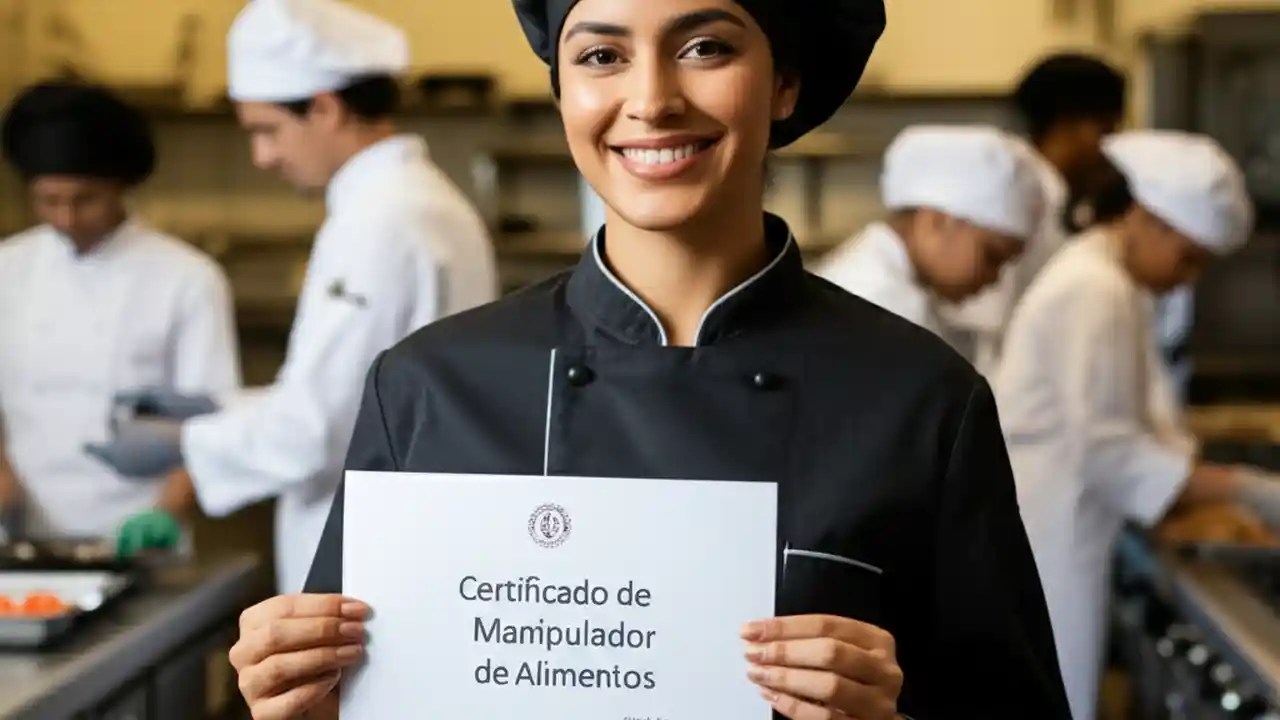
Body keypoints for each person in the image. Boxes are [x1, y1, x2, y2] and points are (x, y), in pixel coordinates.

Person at [227, 1, 1074, 718]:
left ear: (784, 82)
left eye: (706, 47)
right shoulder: (428, 385)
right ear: (564, 92)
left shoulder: (922, 400)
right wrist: (296, 695)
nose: (652, 100)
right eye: (602, 55)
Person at [87, 0, 499, 592]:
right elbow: (360, 397)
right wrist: (216, 408)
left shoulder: (382, 222)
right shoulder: (416, 201)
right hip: (396, 542)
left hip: (370, 561)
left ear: (326, 109)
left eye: (267, 130)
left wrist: (182, 444)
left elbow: (315, 432)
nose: (263, 157)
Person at [993, 129, 1280, 720]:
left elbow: (1132, 420)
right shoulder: (1092, 288)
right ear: (1150, 219)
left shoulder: (1112, 282)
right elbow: (1104, 445)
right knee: (1057, 697)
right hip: (1051, 530)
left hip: (1069, 524)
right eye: (1188, 257)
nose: (1188, 277)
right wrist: (1236, 488)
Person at [0, 81, 240, 554]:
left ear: (120, 186)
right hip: (21, 530)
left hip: (138, 532)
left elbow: (211, 420)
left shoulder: (186, 277)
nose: (67, 217)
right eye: (49, 200)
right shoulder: (8, 268)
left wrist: (164, 514)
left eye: (84, 199)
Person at [937, 52, 1128, 375]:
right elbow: (987, 328)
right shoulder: (1013, 198)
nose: (1110, 147)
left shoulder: (1060, 197)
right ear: (1070, 125)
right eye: (1106, 130)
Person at [815, 124, 1041, 341]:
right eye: (991, 257)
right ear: (938, 221)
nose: (994, 278)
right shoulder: (878, 301)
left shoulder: (891, 286)